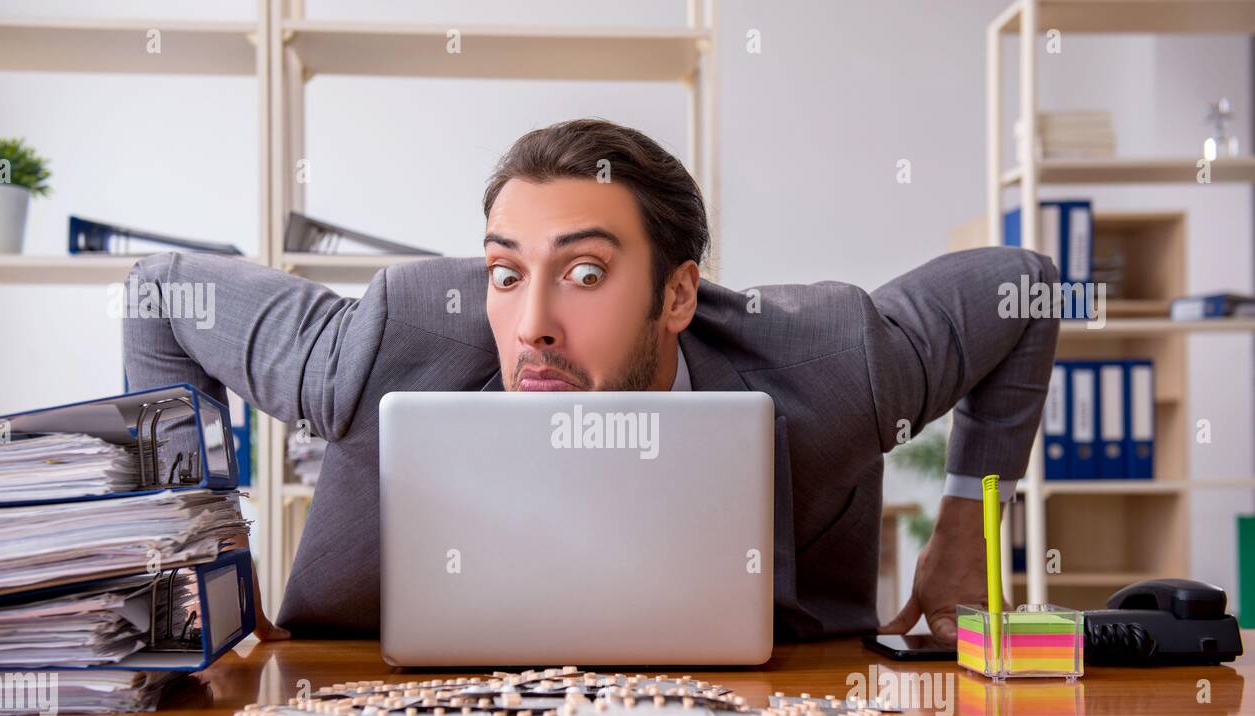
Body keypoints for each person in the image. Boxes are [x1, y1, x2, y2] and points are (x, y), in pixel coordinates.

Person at [123, 117, 1058, 646]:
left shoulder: (829, 362)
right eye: (504, 272)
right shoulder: (389, 341)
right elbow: (161, 292)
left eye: (583, 274)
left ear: (678, 292)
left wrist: (967, 540)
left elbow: (1020, 289)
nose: (531, 324)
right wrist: (203, 560)